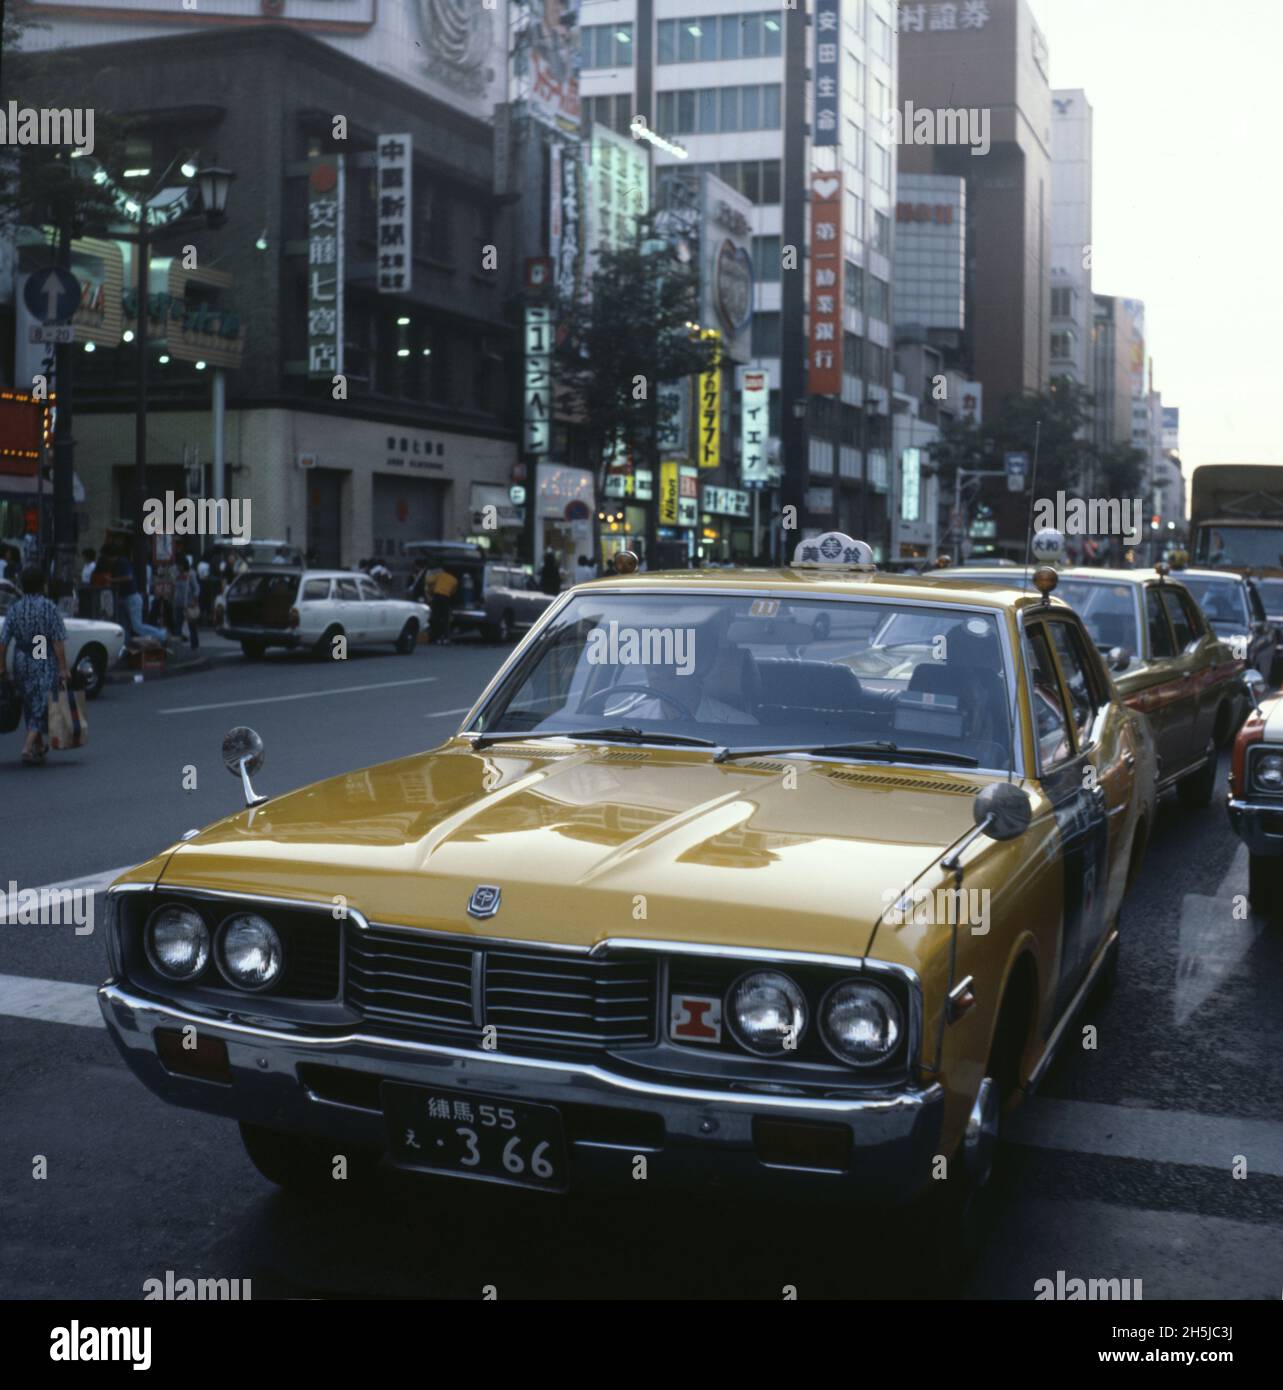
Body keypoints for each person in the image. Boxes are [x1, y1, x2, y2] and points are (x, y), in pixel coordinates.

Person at [0, 566, 71, 765]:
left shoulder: (15, 608)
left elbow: (4, 640)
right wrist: (63, 668)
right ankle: (28, 746)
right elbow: (57, 640)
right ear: (42, 585)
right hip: (42, 658)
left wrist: (2, 666)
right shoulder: (49, 607)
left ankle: (39, 746)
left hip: (22, 659)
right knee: (42, 703)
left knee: (31, 702)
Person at [117, 556, 169, 644]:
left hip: (134, 597)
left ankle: (161, 634)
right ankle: (126, 642)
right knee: (127, 625)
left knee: (137, 626)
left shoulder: (143, 568)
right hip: (131, 597)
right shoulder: (142, 568)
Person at [427, 567, 458, 644]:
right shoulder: (455, 580)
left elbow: (429, 581)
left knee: (435, 617)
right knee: (445, 618)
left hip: (436, 596)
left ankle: (434, 637)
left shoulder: (440, 575)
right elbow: (453, 592)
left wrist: (432, 588)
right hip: (446, 598)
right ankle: (445, 637)